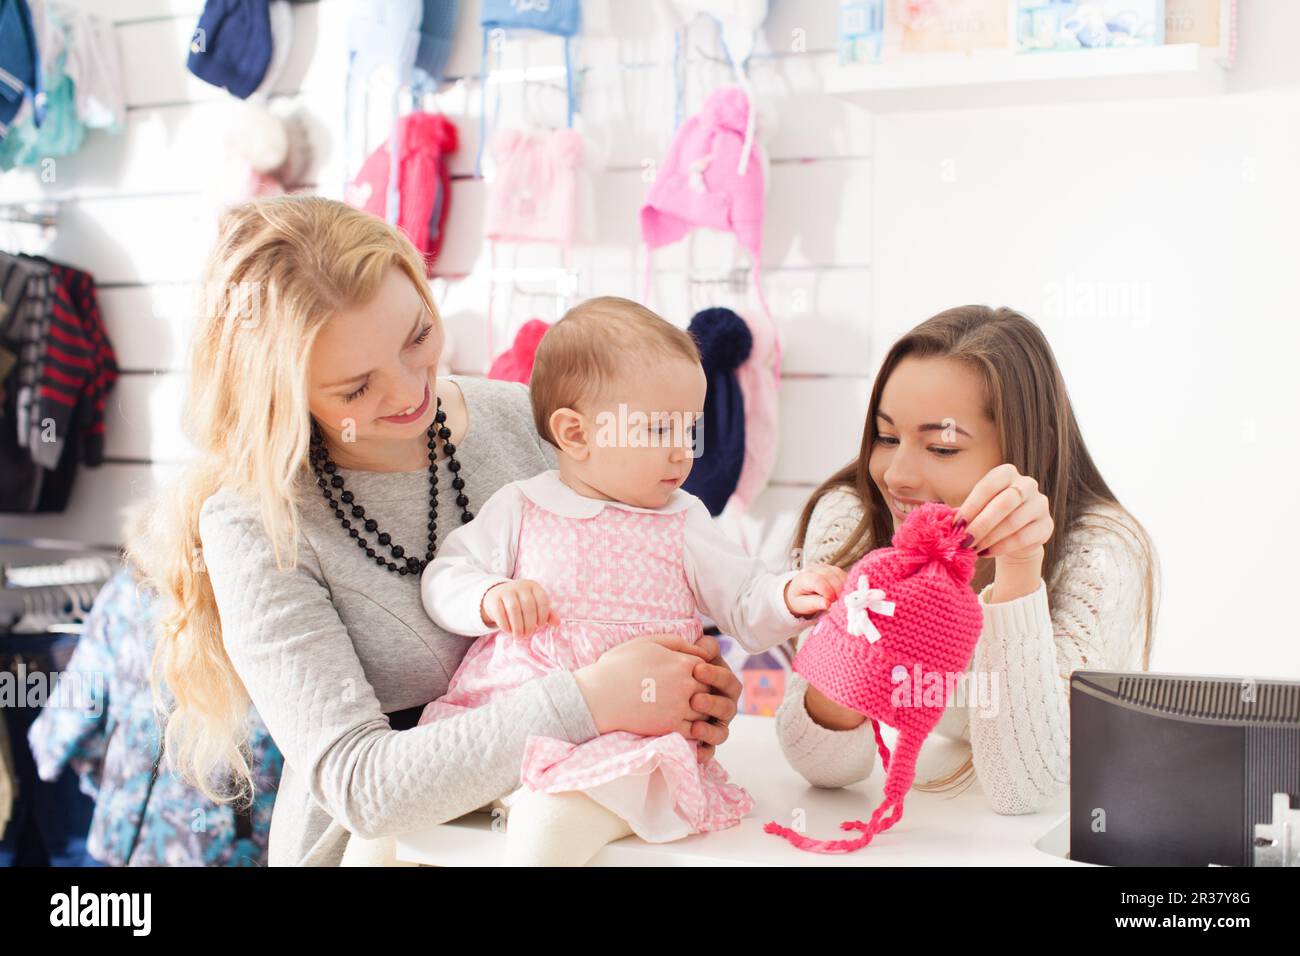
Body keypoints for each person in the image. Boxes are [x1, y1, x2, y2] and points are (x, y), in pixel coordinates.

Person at [126, 196, 749, 866]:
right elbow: (361, 787)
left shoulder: (522, 421)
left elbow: (642, 574)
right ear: (282, 396)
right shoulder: (257, 524)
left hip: (576, 818)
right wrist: (594, 700)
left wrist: (687, 692)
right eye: (356, 388)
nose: (406, 392)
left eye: (417, 337)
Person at [774, 305, 1158, 816]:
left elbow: (1024, 788)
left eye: (942, 447)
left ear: (1034, 450)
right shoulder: (852, 520)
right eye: (888, 438)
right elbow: (823, 768)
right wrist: (854, 633)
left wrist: (1019, 571)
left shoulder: (1100, 551)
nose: (897, 476)